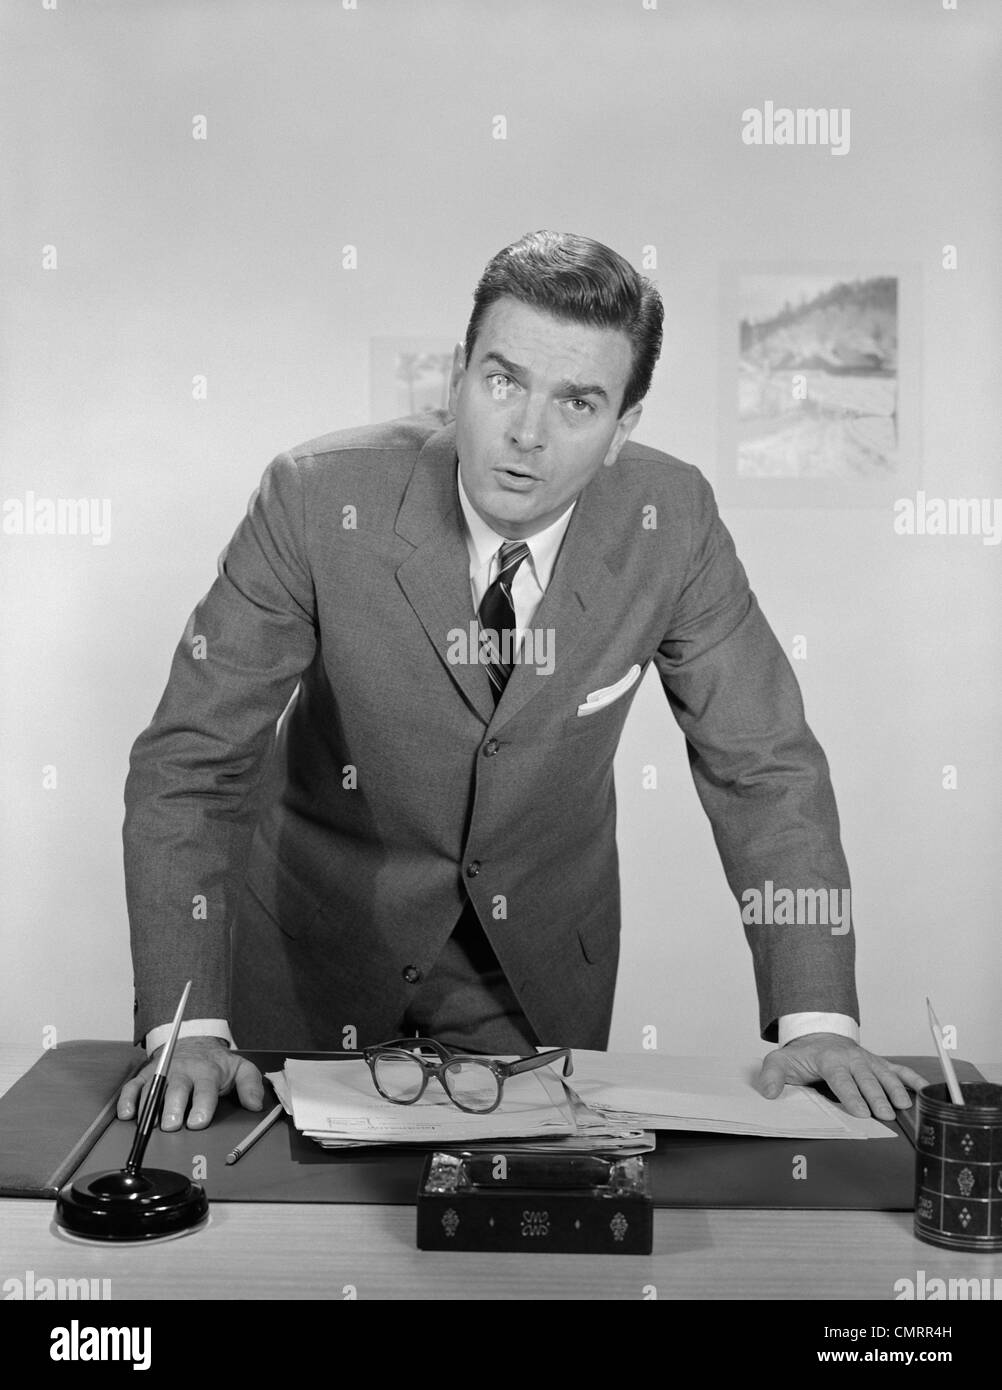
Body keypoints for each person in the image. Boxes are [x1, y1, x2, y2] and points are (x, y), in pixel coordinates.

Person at [117, 230, 924, 1131]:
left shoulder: (674, 521)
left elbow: (765, 768)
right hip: (311, 956)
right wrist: (182, 1027)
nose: (526, 435)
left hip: (531, 980)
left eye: (578, 402)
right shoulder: (314, 500)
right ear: (458, 374)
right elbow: (192, 766)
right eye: (502, 382)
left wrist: (817, 1018)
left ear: (624, 428)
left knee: (518, 1251)